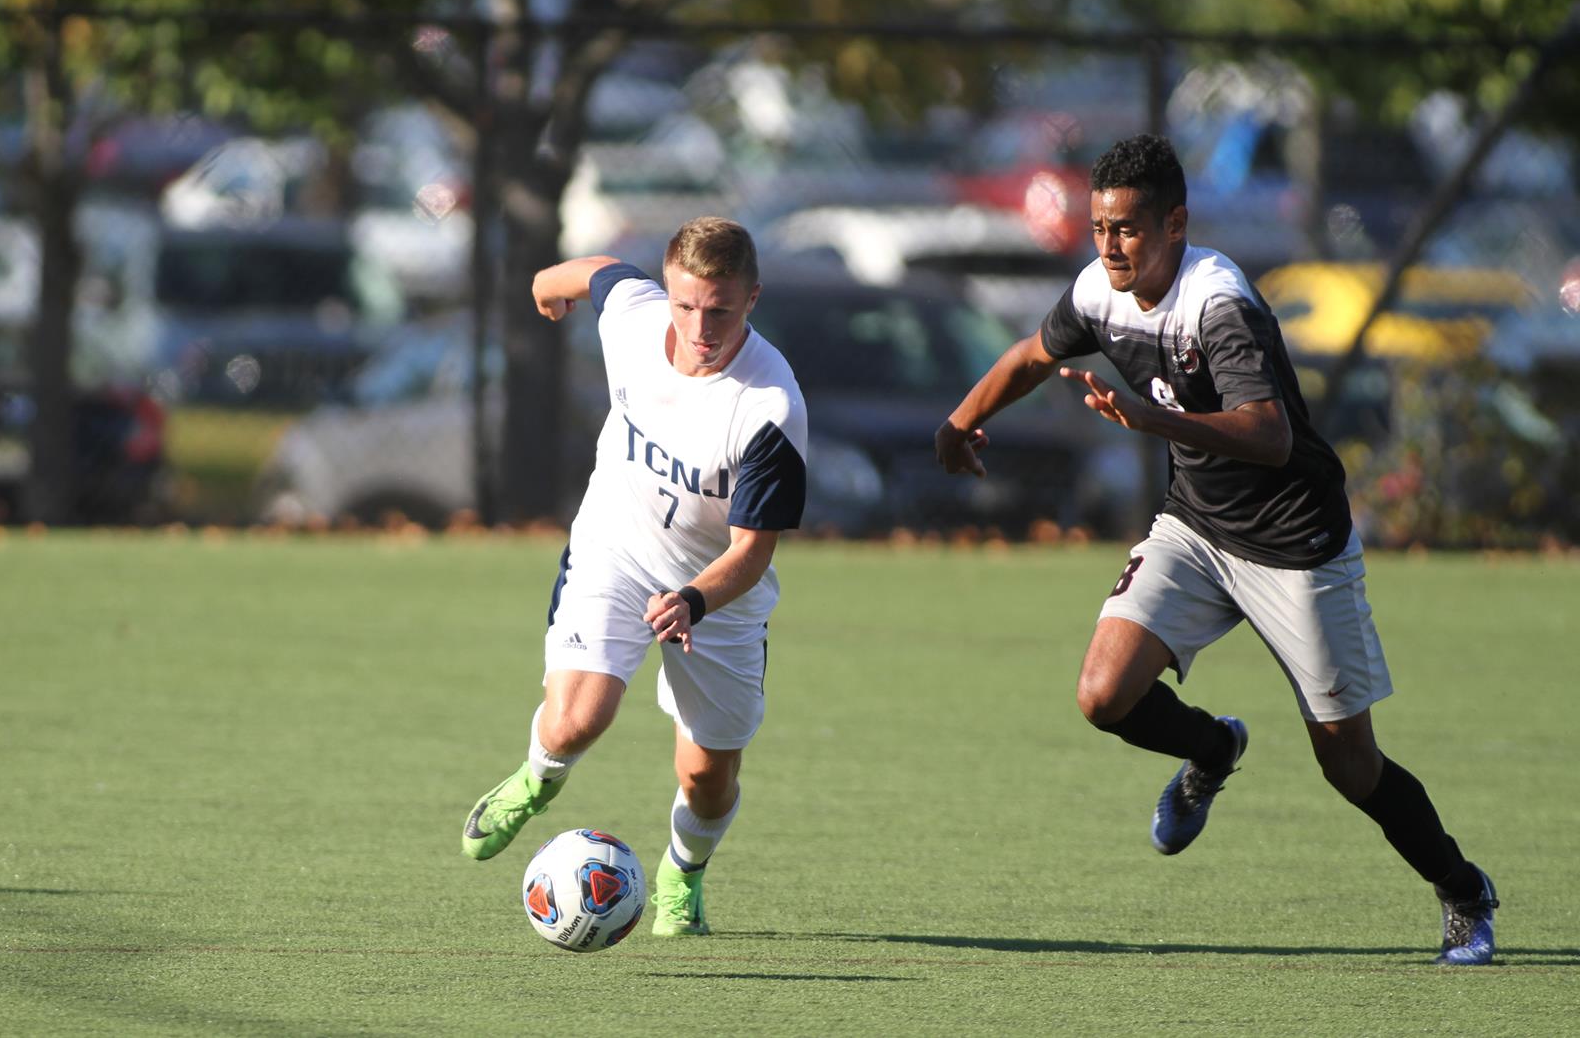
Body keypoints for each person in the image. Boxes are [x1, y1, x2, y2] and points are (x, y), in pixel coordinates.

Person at [933, 134, 1499, 965]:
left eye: (1127, 228)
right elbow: (1030, 354)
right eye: (1099, 227)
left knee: (1349, 763)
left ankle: (1463, 890)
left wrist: (1150, 418)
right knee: (1103, 693)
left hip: (1297, 544)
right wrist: (960, 420)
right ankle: (1211, 748)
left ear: (1175, 223)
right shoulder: (1099, 290)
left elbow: (1269, 437)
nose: (1110, 244)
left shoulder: (1218, 301)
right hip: (1196, 529)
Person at [459, 216, 808, 938]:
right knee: (576, 718)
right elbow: (599, 274)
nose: (699, 325)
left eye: (719, 308)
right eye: (686, 304)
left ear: (752, 299)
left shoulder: (769, 406)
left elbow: (752, 550)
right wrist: (544, 288)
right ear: (669, 292)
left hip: (714, 595)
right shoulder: (636, 316)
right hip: (616, 548)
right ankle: (536, 778)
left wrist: (692, 600)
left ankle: (684, 873)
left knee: (705, 780)